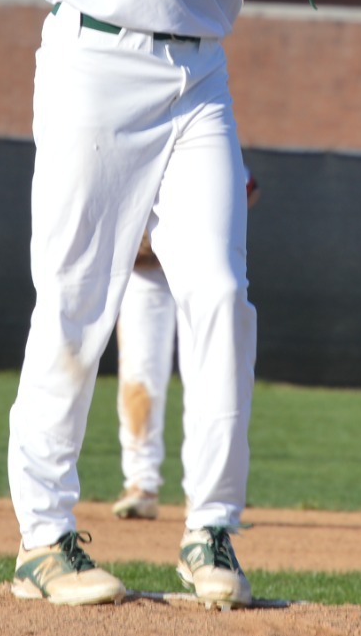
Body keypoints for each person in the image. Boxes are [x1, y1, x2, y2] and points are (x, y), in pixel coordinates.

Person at [5, 0, 290, 610]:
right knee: (77, 302)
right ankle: (43, 538)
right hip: (95, 64)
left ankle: (211, 529)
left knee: (217, 293)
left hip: (198, 74)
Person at [110, 172, 260, 524]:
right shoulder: (135, 134)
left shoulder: (198, 130)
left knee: (204, 378)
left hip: (196, 269)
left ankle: (200, 491)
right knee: (139, 376)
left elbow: (247, 188)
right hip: (143, 275)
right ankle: (140, 484)